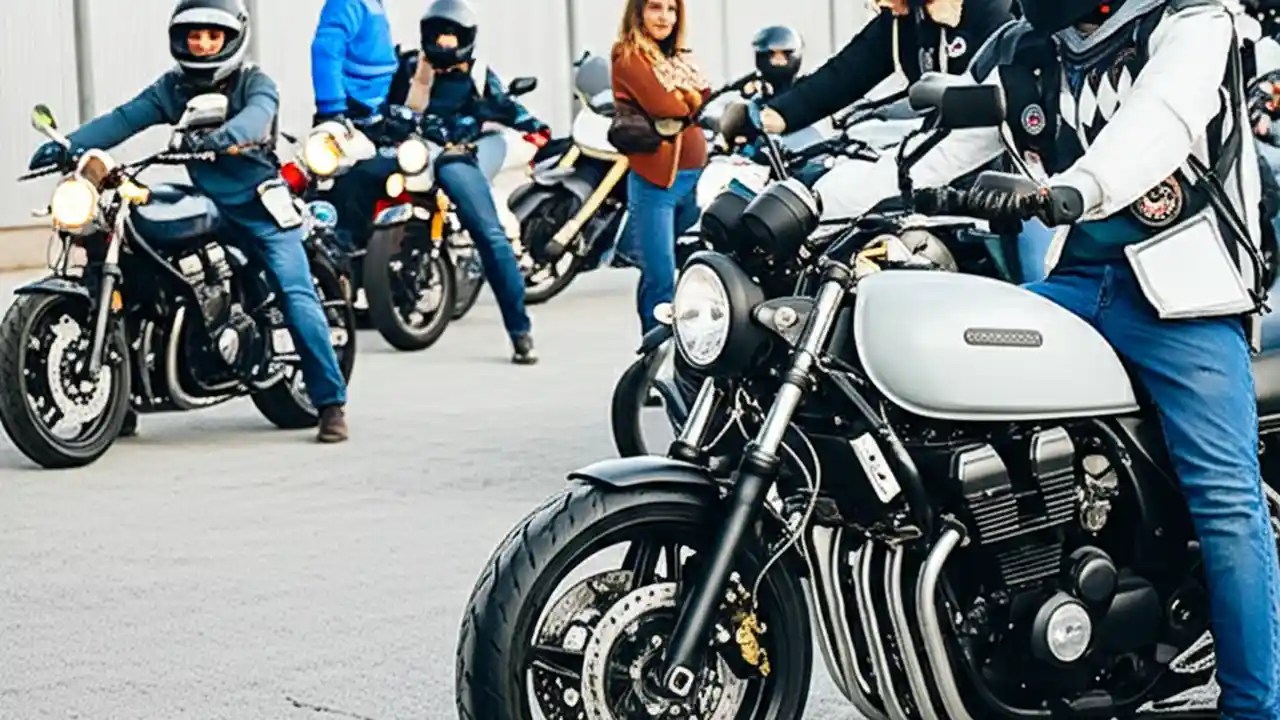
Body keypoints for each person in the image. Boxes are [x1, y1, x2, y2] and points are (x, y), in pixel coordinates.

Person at [776, 0, 1280, 715]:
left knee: (1226, 501)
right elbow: (929, 154)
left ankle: (1255, 704)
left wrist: (1068, 190)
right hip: (1079, 283)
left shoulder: (1193, 21)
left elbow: (1158, 122)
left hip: (1187, 293)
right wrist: (801, 200)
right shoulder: (1031, 48)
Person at [30, 0, 351, 443]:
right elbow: (125, 119)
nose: (201, 44)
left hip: (257, 202)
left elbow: (257, 117)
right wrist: (69, 145)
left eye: (212, 36)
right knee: (123, 251)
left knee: (294, 291)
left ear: (232, 38)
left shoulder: (255, 82)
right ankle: (119, 399)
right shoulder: (173, 88)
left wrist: (227, 137)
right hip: (202, 199)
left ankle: (331, 403)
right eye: (193, 35)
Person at [403, 0, 547, 364]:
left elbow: (513, 111)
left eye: (452, 37)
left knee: (487, 232)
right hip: (417, 153)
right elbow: (393, 114)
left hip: (463, 154)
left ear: (465, 39)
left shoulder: (480, 76)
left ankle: (520, 332)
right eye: (439, 36)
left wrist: (539, 132)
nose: (445, 43)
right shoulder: (410, 69)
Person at [611, 0, 710, 336]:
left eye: (672, 9)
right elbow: (666, 104)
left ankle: (659, 346)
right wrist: (689, 98)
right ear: (638, 12)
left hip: (694, 180)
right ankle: (656, 355)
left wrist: (688, 98)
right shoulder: (628, 55)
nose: (665, 17)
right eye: (656, 7)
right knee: (661, 278)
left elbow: (704, 91)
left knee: (678, 270)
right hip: (658, 184)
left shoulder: (676, 55)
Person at [310, 0, 398, 125]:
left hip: (379, 102)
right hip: (357, 108)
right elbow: (326, 50)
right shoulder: (346, 3)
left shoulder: (372, 4)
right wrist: (332, 108)